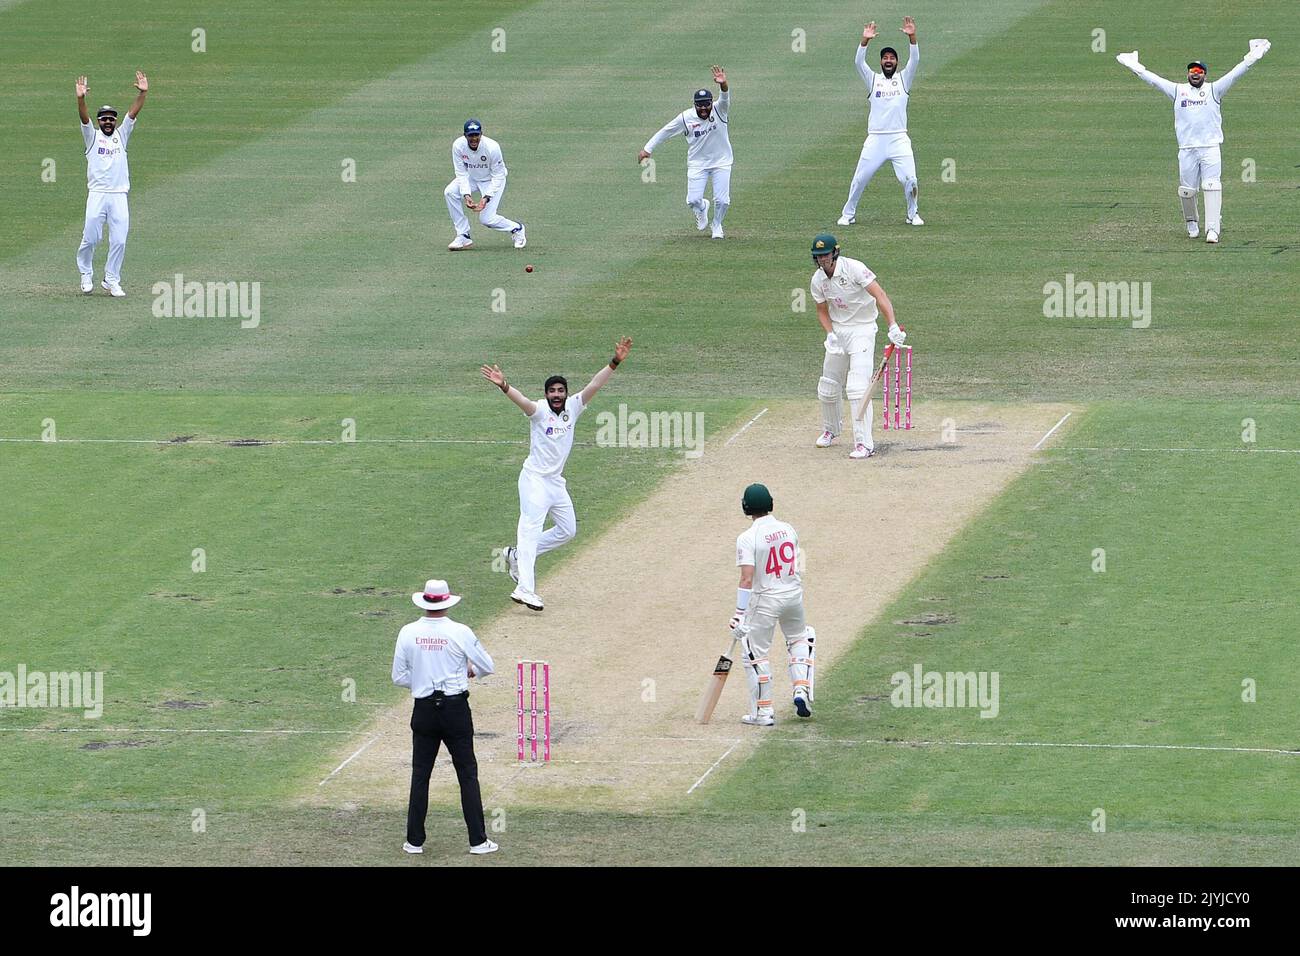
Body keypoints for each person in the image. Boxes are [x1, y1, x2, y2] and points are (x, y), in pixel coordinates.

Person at [481, 337, 633, 611]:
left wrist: (615, 361)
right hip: (534, 480)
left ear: (566, 393)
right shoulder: (539, 411)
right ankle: (525, 588)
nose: (557, 395)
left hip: (555, 482)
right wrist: (504, 385)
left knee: (568, 530)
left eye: (561, 390)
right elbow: (522, 401)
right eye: (552, 391)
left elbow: (595, 385)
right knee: (529, 529)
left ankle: (516, 555)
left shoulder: (573, 407)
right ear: (546, 394)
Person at [1116, 39, 1271, 243]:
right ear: (1187, 74)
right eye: (1192, 71)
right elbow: (1155, 81)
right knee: (1187, 190)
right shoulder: (1177, 90)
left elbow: (1235, 74)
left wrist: (1252, 57)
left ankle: (1213, 229)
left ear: (1205, 74)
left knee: (1212, 185)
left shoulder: (1215, 89)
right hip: (1187, 149)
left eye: (1199, 71)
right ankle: (1191, 223)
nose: (1195, 74)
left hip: (1210, 148)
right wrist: (1134, 66)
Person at [392, 578, 499, 856]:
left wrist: (421, 680)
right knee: (467, 774)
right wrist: (471, 671)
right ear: (447, 602)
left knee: (420, 774)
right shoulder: (459, 631)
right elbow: (487, 665)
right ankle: (478, 841)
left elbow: (398, 676)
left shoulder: (408, 631)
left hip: (424, 710)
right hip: (455, 709)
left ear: (424, 602)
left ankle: (414, 841)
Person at [809, 234, 906, 459]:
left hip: (862, 329)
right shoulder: (817, 279)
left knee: (856, 387)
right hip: (839, 331)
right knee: (828, 385)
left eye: (825, 255)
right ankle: (831, 430)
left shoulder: (854, 268)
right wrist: (830, 334)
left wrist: (892, 325)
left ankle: (864, 444)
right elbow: (822, 311)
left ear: (835, 253)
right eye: (818, 256)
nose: (822, 259)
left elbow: (880, 294)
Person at [729, 484, 816, 726]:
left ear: (746, 508)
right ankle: (801, 689)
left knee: (754, 654)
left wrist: (739, 613)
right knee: (799, 639)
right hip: (793, 594)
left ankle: (763, 712)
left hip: (766, 599)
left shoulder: (747, 538)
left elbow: (747, 578)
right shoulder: (788, 529)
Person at [838, 17, 922, 227]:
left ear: (897, 62)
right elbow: (858, 63)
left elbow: (915, 60)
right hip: (875, 138)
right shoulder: (873, 79)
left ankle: (913, 214)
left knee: (910, 180)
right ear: (881, 62)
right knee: (859, 179)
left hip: (899, 138)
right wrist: (865, 40)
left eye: (892, 58)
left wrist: (912, 37)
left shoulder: (904, 79)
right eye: (885, 58)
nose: (888, 60)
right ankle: (848, 214)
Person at [637, 66, 733, 239]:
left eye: (706, 105)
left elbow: (725, 95)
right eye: (699, 105)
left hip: (722, 161)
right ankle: (702, 208)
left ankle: (717, 225)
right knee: (693, 200)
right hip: (697, 163)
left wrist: (723, 83)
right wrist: (647, 149)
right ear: (694, 105)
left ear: (712, 103)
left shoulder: (720, 110)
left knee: (722, 200)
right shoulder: (685, 118)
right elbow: (665, 131)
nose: (703, 109)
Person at [75, 71, 148, 296]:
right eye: (104, 119)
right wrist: (80, 99)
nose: (108, 122)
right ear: (99, 122)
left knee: (119, 241)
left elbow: (132, 114)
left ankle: (112, 279)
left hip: (119, 195)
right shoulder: (92, 137)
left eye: (111, 119)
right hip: (97, 194)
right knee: (91, 237)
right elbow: (84, 119)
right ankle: (86, 273)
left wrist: (143, 93)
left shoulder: (121, 136)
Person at [443, 118, 526, 251]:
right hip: (472, 177)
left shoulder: (492, 147)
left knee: (487, 219)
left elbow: (499, 175)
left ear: (481, 134)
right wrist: (466, 194)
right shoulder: (458, 146)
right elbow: (461, 172)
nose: (474, 139)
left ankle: (517, 228)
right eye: (470, 135)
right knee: (450, 192)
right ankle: (463, 235)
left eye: (476, 135)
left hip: (492, 180)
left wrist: (486, 198)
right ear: (465, 136)